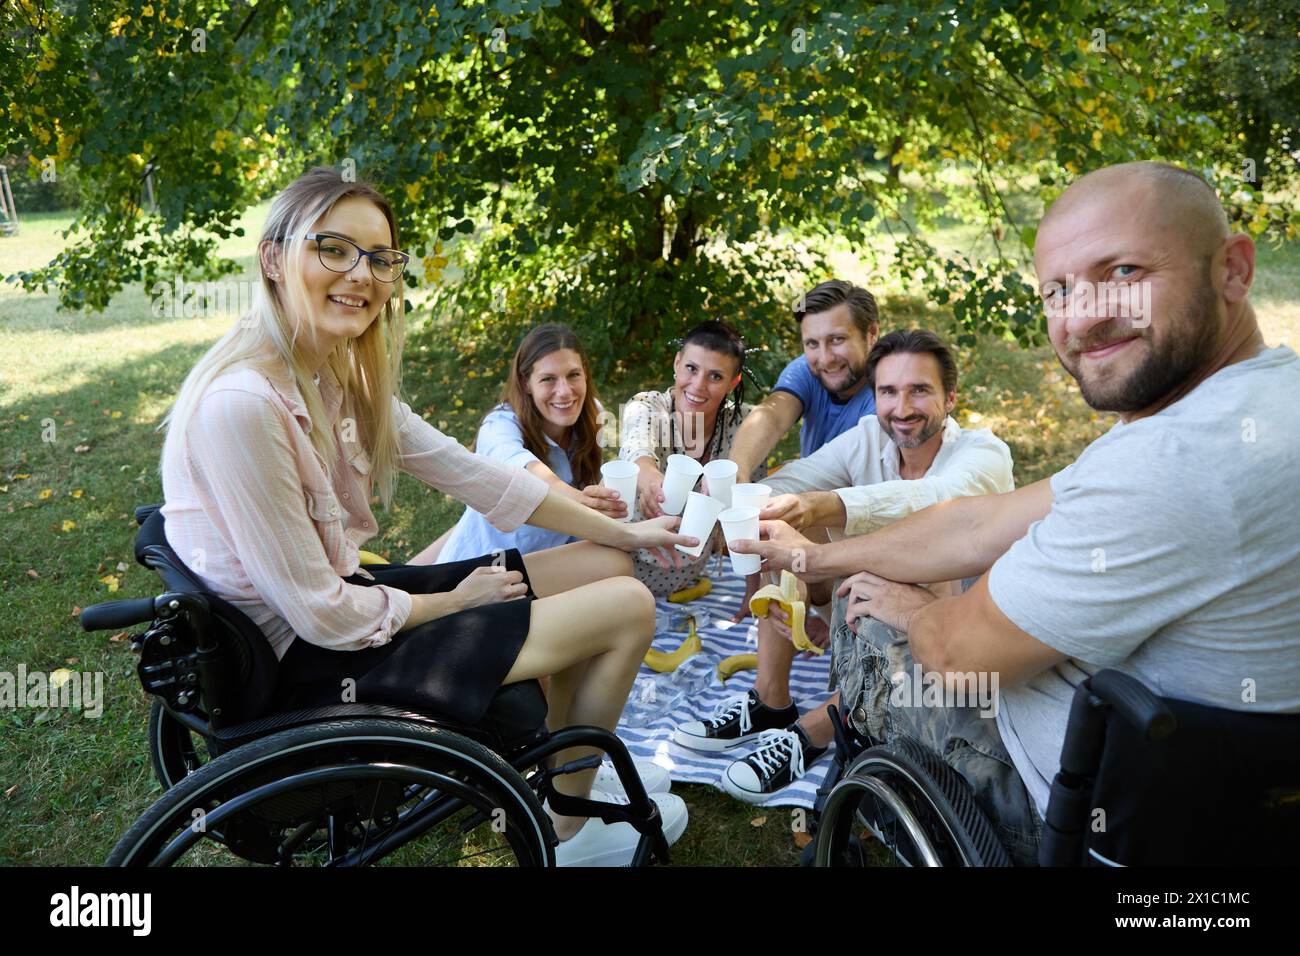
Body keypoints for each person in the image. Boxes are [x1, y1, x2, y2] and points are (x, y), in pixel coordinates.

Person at [731, 161, 1300, 864]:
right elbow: (979, 521)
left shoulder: (1176, 462)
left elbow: (953, 649)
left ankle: (838, 764)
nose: (1083, 315)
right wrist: (814, 556)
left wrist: (904, 609)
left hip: (1073, 805)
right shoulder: (1239, 407)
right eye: (1058, 290)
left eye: (1123, 271)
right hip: (1208, 799)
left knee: (867, 617)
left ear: (1235, 270)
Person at [157, 167, 697, 866]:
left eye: (379, 258)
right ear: (272, 258)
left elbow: (481, 479)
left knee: (607, 562)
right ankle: (568, 826)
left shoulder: (334, 378)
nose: (362, 274)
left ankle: (571, 767)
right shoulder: (245, 404)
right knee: (626, 605)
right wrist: (450, 602)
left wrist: (627, 531)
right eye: (335, 248)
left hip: (341, 614)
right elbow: (322, 614)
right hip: (310, 664)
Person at [672, 330, 1014, 802]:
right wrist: (736, 498)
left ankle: (822, 727)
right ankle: (771, 700)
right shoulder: (871, 437)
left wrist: (822, 506)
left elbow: (938, 504)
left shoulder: (983, 453)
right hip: (874, 601)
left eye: (920, 390)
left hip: (957, 634)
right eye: (889, 392)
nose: (902, 407)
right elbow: (798, 482)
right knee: (781, 525)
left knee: (905, 554)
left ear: (951, 397)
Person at [419, 323, 628, 564]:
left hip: (553, 562)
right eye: (548, 379)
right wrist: (582, 501)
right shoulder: (498, 426)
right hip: (483, 568)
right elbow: (524, 473)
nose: (565, 391)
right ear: (526, 382)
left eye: (573, 375)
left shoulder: (593, 415)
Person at [618, 320, 765, 596]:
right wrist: (652, 484)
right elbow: (637, 453)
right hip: (622, 567)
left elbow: (751, 516)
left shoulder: (743, 427)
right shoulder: (647, 406)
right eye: (691, 368)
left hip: (686, 576)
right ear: (676, 363)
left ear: (734, 383)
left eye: (715, 376)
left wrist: (753, 591)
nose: (698, 385)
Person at [725, 279, 880, 487]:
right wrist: (737, 469)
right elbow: (773, 415)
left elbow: (849, 476)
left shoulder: (892, 390)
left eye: (837, 340)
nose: (825, 359)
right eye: (812, 343)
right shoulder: (805, 369)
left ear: (871, 334)